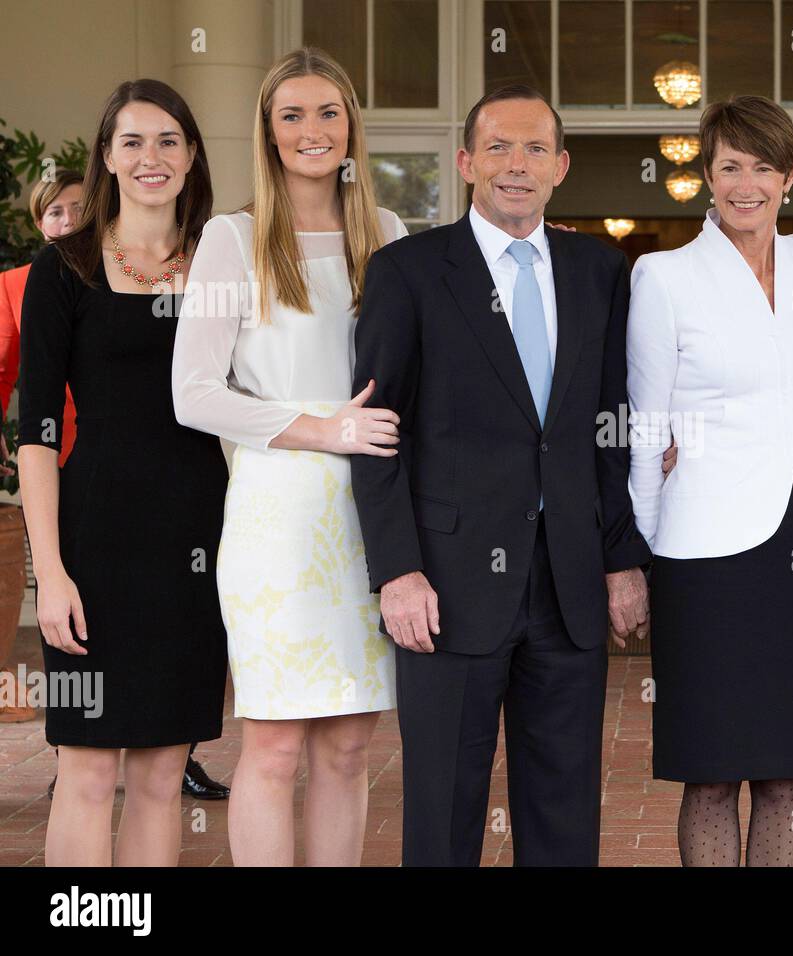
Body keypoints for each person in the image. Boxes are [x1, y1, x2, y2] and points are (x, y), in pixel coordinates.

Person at [350, 83, 651, 867]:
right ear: (465, 161)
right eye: (498, 147)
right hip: (445, 586)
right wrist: (398, 571)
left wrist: (621, 558)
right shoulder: (407, 272)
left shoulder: (599, 271)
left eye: (535, 149)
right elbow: (377, 437)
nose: (516, 165)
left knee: (563, 816)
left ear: (561, 166)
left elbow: (608, 428)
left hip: (570, 581)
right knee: (445, 814)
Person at [173, 48, 404, 866]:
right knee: (271, 749)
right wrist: (323, 428)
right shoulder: (232, 240)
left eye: (328, 113)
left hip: (375, 518)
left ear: (351, 129)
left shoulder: (391, 238)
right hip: (277, 520)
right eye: (291, 115)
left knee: (347, 751)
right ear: (269, 135)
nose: (312, 131)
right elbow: (193, 394)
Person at [626, 95, 793, 867]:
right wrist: (641, 553)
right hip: (703, 552)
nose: (745, 184)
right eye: (728, 167)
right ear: (706, 178)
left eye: (761, 167)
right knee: (711, 774)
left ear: (788, 175)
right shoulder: (664, 275)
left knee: (788, 771)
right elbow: (646, 426)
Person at [17, 79, 228, 866]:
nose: (151, 157)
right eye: (132, 141)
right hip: (93, 545)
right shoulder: (62, 267)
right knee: (86, 767)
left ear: (192, 154)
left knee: (163, 769)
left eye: (168, 140)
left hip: (197, 545)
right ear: (106, 156)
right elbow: (36, 433)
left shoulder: (222, 261)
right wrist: (53, 574)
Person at [0, 169, 82, 725]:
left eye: (79, 208)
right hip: (55, 458)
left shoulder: (125, 274)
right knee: (66, 599)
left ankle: (181, 751)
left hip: (136, 452)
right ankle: (73, 748)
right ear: (39, 221)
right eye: (56, 211)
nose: (68, 220)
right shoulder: (14, 285)